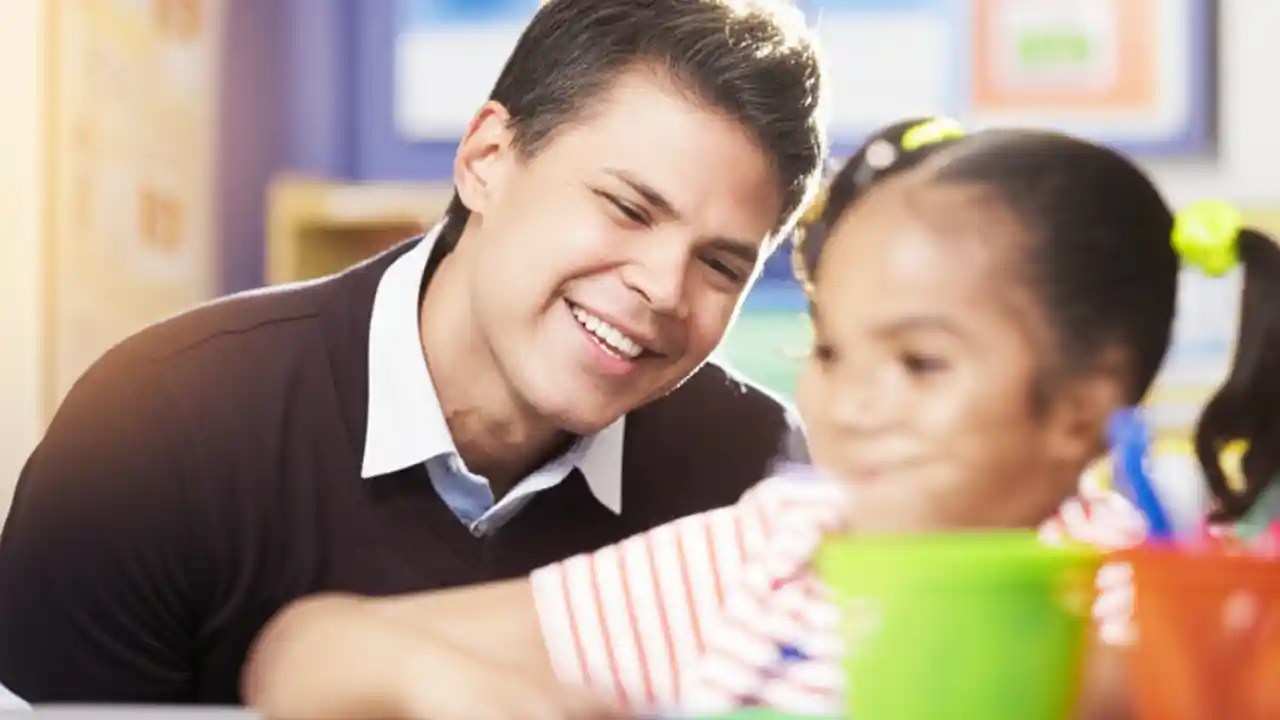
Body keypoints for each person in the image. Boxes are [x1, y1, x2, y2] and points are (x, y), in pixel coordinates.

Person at [244, 118, 1280, 718]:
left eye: (918, 362)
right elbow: (308, 652)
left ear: (1080, 409)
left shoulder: (1158, 617)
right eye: (830, 352)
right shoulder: (769, 563)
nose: (847, 402)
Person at [0, 0, 827, 704]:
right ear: (486, 160)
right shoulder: (155, 428)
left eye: (720, 264)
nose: (663, 289)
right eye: (627, 208)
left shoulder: (751, 479)